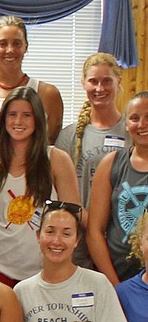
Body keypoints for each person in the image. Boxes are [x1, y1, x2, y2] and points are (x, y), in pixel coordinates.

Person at [15, 203, 129, 322]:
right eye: (50, 232)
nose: (57, 241)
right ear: (38, 236)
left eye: (66, 233)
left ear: (77, 240)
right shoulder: (21, 292)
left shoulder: (97, 283)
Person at [0, 87, 80, 285]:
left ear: (37, 119)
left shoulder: (55, 159)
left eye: (26, 115)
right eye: (12, 115)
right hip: (1, 267)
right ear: (3, 120)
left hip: (45, 268)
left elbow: (74, 215)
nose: (18, 122)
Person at [0, 16, 64, 156]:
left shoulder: (48, 94)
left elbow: (50, 149)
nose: (10, 50)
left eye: (17, 43)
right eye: (3, 43)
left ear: (26, 47)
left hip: (35, 177)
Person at [56, 54, 126, 242]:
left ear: (118, 81)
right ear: (84, 83)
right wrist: (96, 230)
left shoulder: (133, 132)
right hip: (80, 242)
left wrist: (113, 234)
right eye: (93, 81)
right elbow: (66, 197)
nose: (100, 88)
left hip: (123, 241)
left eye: (107, 81)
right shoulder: (68, 136)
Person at [87, 92, 148, 285]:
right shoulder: (111, 163)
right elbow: (94, 230)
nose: (142, 124)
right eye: (135, 118)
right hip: (118, 276)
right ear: (126, 125)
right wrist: (116, 286)